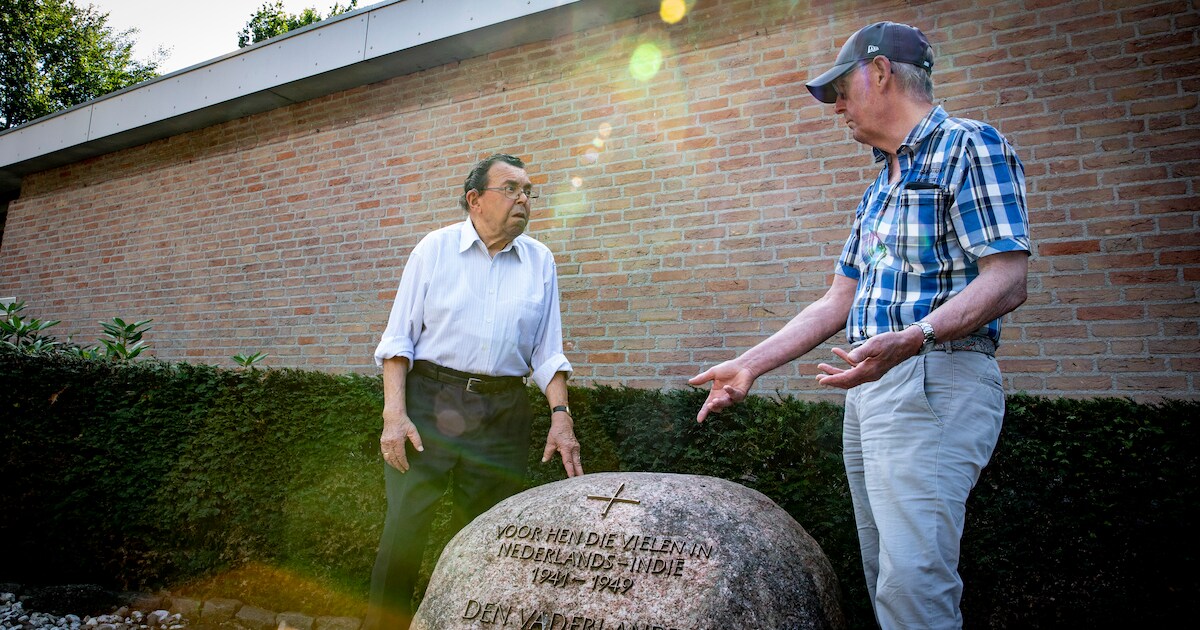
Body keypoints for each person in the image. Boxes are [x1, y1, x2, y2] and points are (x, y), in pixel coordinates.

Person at [690, 21, 1030, 629]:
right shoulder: (880, 187)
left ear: (879, 73)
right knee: (886, 576)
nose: (839, 108)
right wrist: (749, 365)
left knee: (914, 581)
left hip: (934, 378)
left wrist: (915, 337)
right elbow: (836, 301)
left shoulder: (969, 146)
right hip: (873, 388)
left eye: (842, 90)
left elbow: (1005, 278)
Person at [365, 153, 584, 628]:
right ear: (475, 199)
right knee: (404, 529)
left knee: (489, 536)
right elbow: (398, 341)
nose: (523, 198)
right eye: (511, 188)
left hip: (503, 411)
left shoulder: (540, 260)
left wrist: (561, 418)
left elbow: (548, 353)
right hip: (430, 402)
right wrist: (393, 415)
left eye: (528, 190)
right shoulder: (434, 250)